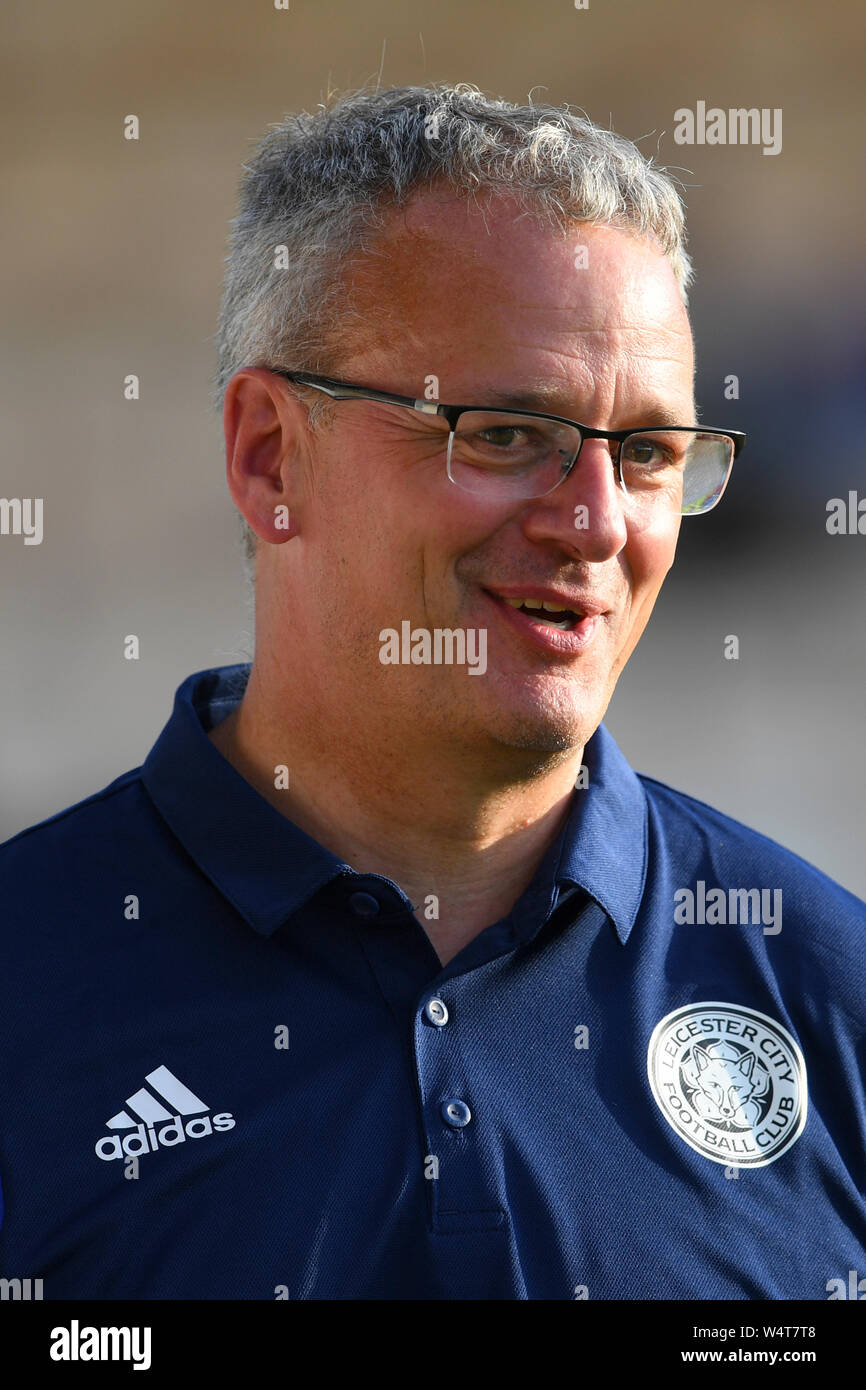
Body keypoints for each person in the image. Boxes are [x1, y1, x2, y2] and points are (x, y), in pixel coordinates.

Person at [1, 83, 863, 1301]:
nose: (596, 525)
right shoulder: (28, 985)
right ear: (269, 455)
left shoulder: (827, 983)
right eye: (507, 432)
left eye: (650, 456)